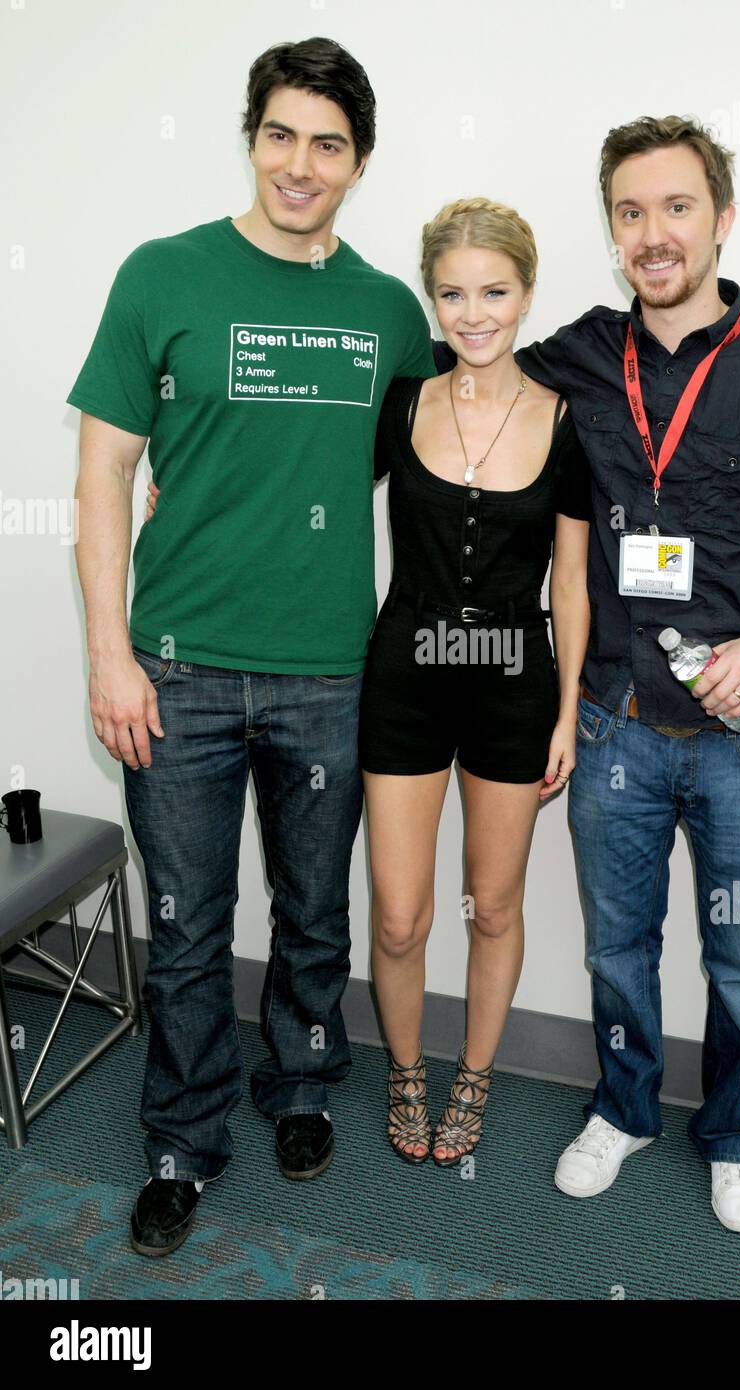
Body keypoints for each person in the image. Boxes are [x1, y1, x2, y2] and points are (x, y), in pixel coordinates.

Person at [435, 116, 740, 1230]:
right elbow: (452, 382)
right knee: (617, 945)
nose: (653, 233)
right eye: (630, 213)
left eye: (676, 208)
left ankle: (735, 1131)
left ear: (721, 219)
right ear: (611, 230)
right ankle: (625, 1107)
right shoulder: (580, 356)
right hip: (617, 725)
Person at [68, 37, 437, 1257]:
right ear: (251, 138)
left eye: (327, 143)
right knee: (184, 921)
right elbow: (105, 474)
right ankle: (181, 1136)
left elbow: (415, 467)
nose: (300, 162)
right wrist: (109, 653)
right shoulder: (162, 275)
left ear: (358, 163)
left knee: (315, 909)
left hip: (332, 668)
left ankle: (299, 1085)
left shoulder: (388, 311)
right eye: (280, 134)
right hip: (173, 666)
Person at [146, 198, 594, 1167]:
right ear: (430, 299)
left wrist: (566, 710)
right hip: (404, 683)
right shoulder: (400, 403)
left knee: (496, 904)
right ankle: (402, 1069)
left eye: (494, 291)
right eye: (452, 293)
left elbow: (574, 579)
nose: (473, 312)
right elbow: (288, 450)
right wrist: (175, 475)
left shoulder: (565, 422)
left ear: (526, 290)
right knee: (397, 913)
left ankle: (471, 1074)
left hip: (515, 687)